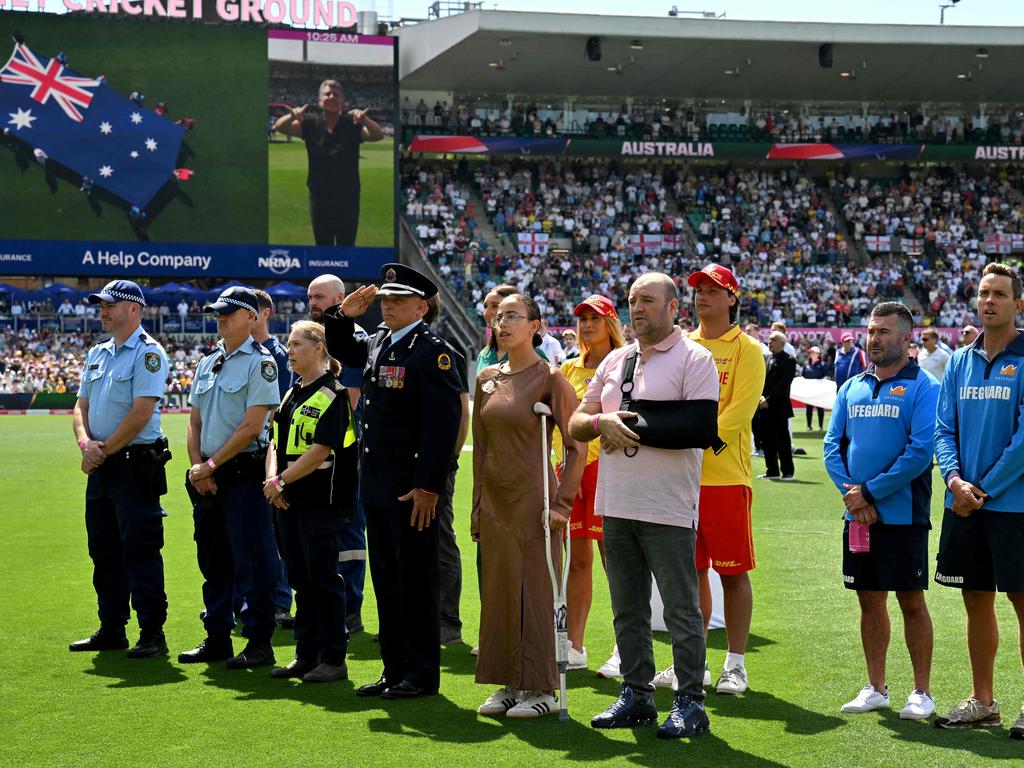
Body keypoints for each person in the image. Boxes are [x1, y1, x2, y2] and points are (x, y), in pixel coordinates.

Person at [569, 273, 720, 739]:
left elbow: (697, 425)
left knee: (680, 610)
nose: (638, 308)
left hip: (668, 505)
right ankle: (636, 694)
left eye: (649, 300)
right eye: (633, 300)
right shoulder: (616, 359)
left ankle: (691, 701)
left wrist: (622, 425)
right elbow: (576, 422)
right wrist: (600, 420)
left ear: (675, 308)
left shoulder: (695, 358)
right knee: (626, 607)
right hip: (616, 502)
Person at [323, 263, 462, 699]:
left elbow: (442, 426)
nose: (388, 305)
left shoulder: (432, 350)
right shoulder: (381, 341)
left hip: (411, 488)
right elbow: (341, 345)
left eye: (398, 299)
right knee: (386, 578)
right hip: (379, 483)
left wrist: (429, 487)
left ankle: (420, 674)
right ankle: (394, 668)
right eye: (385, 298)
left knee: (416, 580)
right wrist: (342, 316)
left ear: (421, 306)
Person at [823, 302, 940, 720]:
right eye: (871, 331)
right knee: (868, 600)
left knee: (911, 600)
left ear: (907, 338)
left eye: (884, 332)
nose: (874, 338)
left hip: (903, 515)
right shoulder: (852, 386)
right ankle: (876, 687)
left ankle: (922, 692)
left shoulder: (924, 387)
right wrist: (854, 497)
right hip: (857, 515)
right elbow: (831, 446)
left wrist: (869, 493)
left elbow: (920, 451)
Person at [472, 292, 584, 718]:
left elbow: (577, 447)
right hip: (497, 501)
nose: (502, 323)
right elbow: (481, 451)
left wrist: (562, 504)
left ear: (535, 326)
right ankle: (507, 682)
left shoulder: (550, 378)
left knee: (536, 592)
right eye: (498, 317)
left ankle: (542, 687)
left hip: (536, 501)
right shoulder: (487, 379)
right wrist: (478, 506)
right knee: (498, 592)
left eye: (513, 316)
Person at [933, 263, 1024, 737]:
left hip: (1012, 506)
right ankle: (984, 702)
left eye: (1000, 294)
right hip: (963, 501)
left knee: (1022, 600)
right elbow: (943, 428)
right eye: (984, 293)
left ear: (1018, 305)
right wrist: (953, 481)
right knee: (976, 599)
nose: (989, 301)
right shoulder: (960, 361)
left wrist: (979, 490)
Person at [179, 287, 282, 669]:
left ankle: (258, 643)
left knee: (253, 562)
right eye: (217, 313)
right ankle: (217, 637)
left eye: (229, 312)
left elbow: (252, 425)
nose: (220, 318)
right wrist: (197, 467)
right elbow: (194, 423)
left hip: (240, 475)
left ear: (252, 317)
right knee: (213, 561)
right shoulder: (207, 363)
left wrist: (211, 466)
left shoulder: (261, 363)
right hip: (208, 477)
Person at [69, 280, 170, 658]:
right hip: (102, 467)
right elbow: (80, 408)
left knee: (140, 549)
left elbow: (141, 413)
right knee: (103, 550)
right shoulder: (98, 353)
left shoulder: (148, 354)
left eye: (110, 305)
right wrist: (86, 445)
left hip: (132, 466)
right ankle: (111, 627)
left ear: (134, 309)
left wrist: (102, 450)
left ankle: (152, 633)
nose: (103, 311)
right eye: (101, 305)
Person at [682, 263, 766, 695]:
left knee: (733, 573)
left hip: (725, 479)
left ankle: (735, 663)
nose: (702, 296)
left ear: (732, 297)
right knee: (690, 572)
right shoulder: (680, 344)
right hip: (679, 479)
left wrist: (690, 437)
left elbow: (738, 413)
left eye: (713, 289)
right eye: (698, 288)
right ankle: (693, 663)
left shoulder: (747, 349)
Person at [264, 321, 358, 683]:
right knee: (300, 578)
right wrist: (274, 481)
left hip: (320, 500)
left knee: (323, 579)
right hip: (287, 499)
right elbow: (275, 441)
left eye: (296, 344)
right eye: (288, 344)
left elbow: (321, 451)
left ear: (319, 347)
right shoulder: (292, 393)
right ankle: (306, 653)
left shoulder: (333, 394)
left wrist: (280, 480)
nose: (289, 350)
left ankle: (333, 657)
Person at [307, 274, 367, 634]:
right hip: (309, 452)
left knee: (347, 532)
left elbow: (352, 398)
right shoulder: (307, 338)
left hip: (343, 453)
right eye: (311, 296)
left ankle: (349, 609)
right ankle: (319, 605)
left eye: (320, 296)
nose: (313, 302)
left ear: (341, 298)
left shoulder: (353, 341)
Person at [273, 80, 384, 247]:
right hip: (319, 196)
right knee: (322, 248)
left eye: (336, 94)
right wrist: (292, 116)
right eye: (327, 94)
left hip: (348, 197)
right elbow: (279, 127)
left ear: (343, 102)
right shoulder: (310, 124)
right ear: (319, 101)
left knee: (346, 248)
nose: (332, 97)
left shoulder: (351, 125)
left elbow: (377, 135)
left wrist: (365, 120)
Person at [423, 294, 471, 646]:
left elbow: (460, 412)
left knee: (440, 538)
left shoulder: (445, 351)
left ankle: (447, 620)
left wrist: (448, 462)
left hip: (436, 465)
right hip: (400, 465)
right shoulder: (385, 345)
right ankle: (413, 616)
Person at [253, 289, 295, 628]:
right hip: (237, 453)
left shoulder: (279, 356)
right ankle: (248, 599)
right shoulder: (229, 353)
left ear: (265, 313)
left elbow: (280, 409)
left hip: (269, 451)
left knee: (274, 531)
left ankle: (281, 600)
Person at [757, 331, 796, 481]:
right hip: (764, 407)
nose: (769, 342)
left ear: (782, 343)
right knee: (767, 441)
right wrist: (761, 397)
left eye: (773, 340)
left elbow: (784, 385)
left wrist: (769, 400)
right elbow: (761, 380)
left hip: (779, 408)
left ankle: (787, 472)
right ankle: (772, 470)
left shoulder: (789, 360)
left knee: (783, 441)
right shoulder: (767, 358)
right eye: (769, 340)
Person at [802, 345, 827, 431]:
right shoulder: (806, 365)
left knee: (820, 409)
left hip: (819, 391)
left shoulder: (822, 365)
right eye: (810, 353)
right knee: (809, 409)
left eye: (813, 352)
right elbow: (803, 377)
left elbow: (825, 376)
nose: (811, 354)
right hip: (809, 391)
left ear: (818, 354)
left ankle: (820, 426)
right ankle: (809, 426)